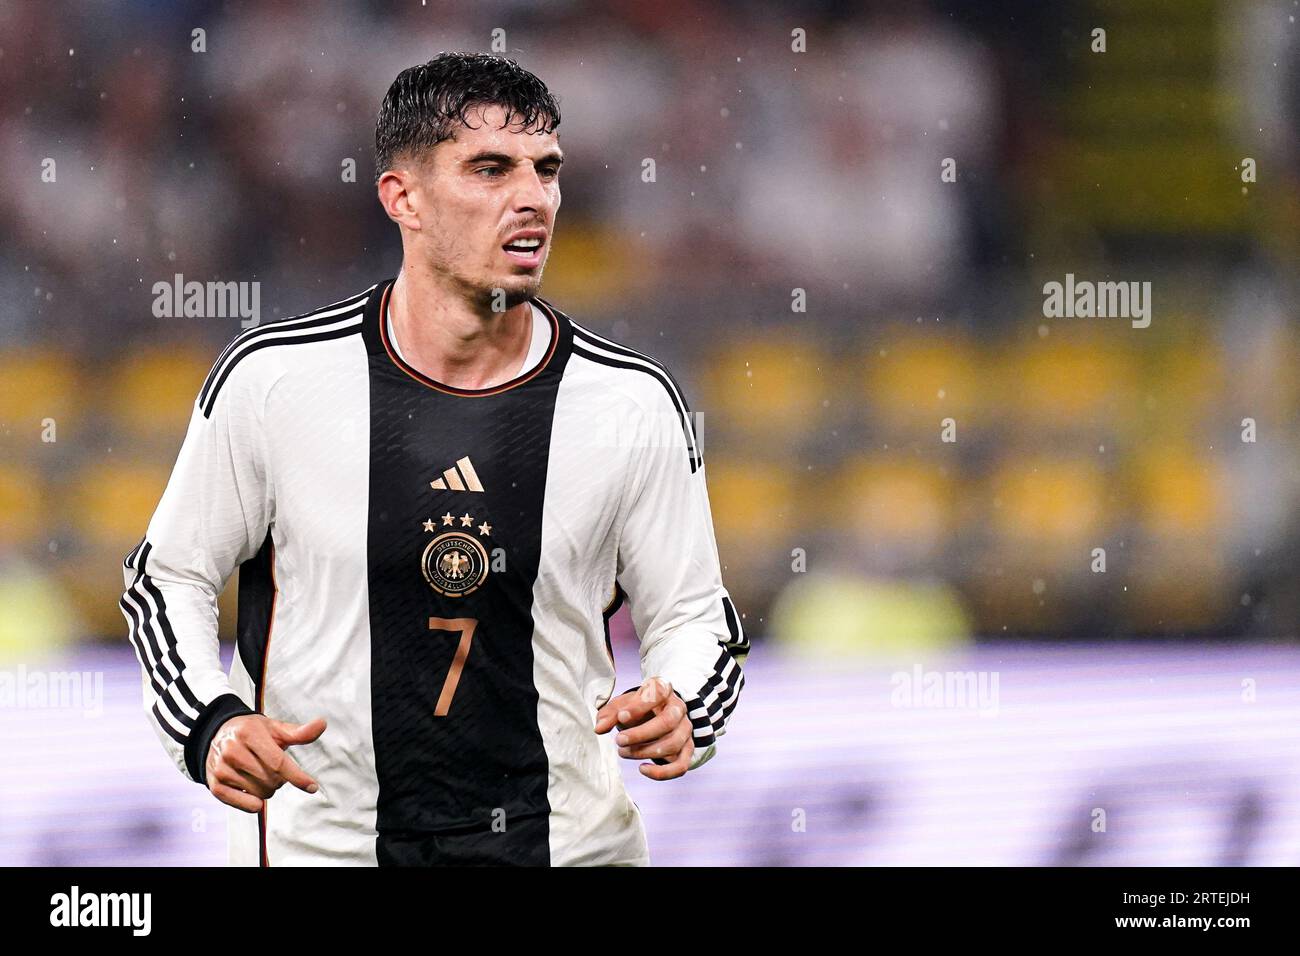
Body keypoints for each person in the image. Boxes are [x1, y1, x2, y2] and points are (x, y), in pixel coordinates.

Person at [120, 52, 747, 866]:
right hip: (332, 847)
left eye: (546, 170)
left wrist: (685, 707)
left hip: (567, 846)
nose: (532, 198)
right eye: (490, 168)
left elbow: (694, 614)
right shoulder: (273, 382)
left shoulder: (631, 404)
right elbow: (166, 576)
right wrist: (209, 723)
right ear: (402, 197)